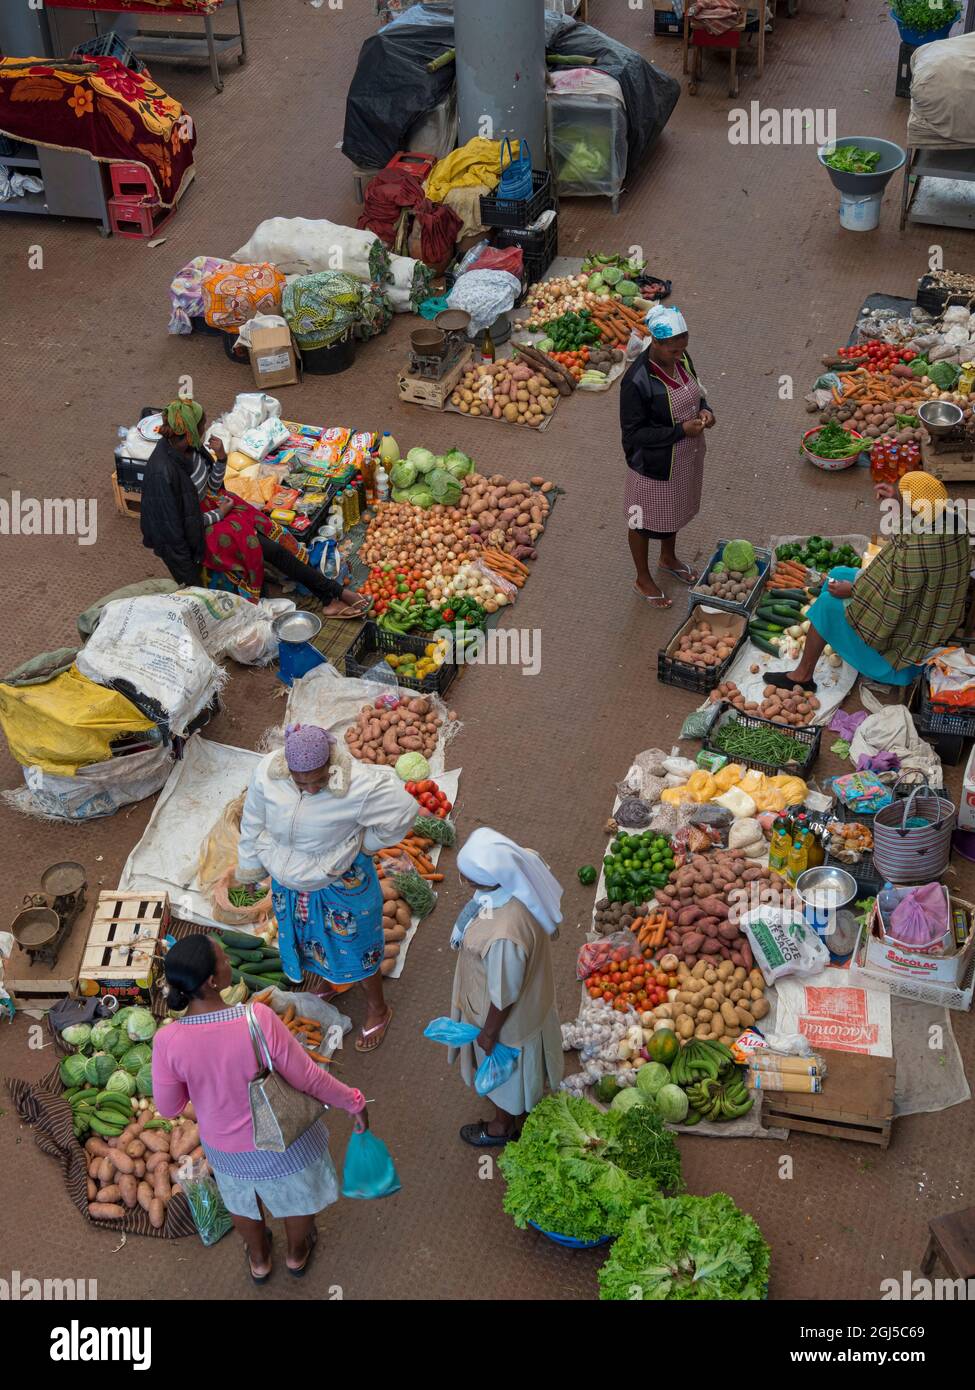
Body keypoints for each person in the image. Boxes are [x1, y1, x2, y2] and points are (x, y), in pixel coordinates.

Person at [152, 934, 367, 1284]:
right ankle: (297, 1255)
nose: (228, 964)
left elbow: (169, 1105)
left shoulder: (166, 1041)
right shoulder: (257, 1020)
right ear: (211, 980)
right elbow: (308, 1078)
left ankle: (260, 1260)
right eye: (223, 959)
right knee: (298, 1198)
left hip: (225, 1150)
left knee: (242, 1202)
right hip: (283, 1139)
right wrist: (353, 1101)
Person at [232, 722, 417, 1052]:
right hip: (292, 884)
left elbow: (403, 812)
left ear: (331, 763)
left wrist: (366, 845)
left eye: (319, 780)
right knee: (311, 942)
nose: (312, 789)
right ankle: (334, 981)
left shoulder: (358, 784)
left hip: (339, 883)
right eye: (301, 781)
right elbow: (253, 820)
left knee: (358, 948)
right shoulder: (267, 774)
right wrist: (249, 870)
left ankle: (378, 1008)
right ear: (286, 768)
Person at [140, 398, 369, 616]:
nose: (206, 427)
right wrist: (219, 514)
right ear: (192, 429)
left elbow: (212, 486)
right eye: (204, 423)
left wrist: (220, 459)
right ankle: (333, 595)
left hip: (215, 508)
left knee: (273, 541)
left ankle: (332, 596)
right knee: (260, 548)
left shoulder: (194, 447)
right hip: (197, 531)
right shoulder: (163, 473)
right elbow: (179, 525)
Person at [768, 472, 971, 692]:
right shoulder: (951, 518)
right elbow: (906, 548)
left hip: (905, 650)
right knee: (839, 572)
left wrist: (855, 590)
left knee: (826, 604)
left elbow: (895, 598)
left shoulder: (918, 550)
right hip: (929, 602)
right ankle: (830, 637)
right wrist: (896, 502)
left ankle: (803, 675)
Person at [447, 828, 564, 1147]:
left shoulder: (505, 935)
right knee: (524, 1069)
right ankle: (522, 1105)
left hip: (506, 1022)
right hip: (534, 1000)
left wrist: (488, 1033)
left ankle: (503, 1126)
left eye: (466, 876)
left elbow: (503, 995)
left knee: (504, 1077)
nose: (463, 880)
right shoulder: (520, 871)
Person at [620, 305, 716, 610]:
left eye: (682, 349)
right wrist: (679, 431)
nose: (680, 356)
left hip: (685, 457)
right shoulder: (636, 382)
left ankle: (668, 557)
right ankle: (642, 578)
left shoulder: (682, 358)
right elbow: (634, 434)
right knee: (642, 523)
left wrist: (706, 411)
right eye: (673, 351)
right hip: (652, 467)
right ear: (656, 344)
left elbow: (697, 391)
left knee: (673, 511)